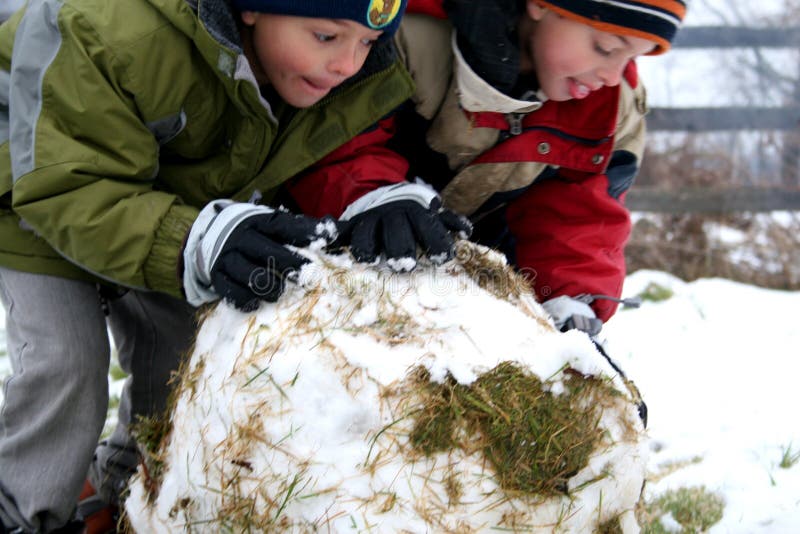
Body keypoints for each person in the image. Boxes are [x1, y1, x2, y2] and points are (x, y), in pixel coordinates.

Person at [0, 0, 411, 531]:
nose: (349, 65)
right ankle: (18, 513)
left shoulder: (300, 69)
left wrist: (376, 197)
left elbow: (336, 150)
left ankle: (121, 497)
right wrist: (191, 238)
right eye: (328, 36)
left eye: (367, 43)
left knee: (182, 355)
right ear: (253, 9)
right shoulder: (122, 34)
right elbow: (67, 181)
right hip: (32, 183)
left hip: (148, 195)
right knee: (68, 360)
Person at [286, 0, 686, 334]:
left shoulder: (612, 108)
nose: (612, 75)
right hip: (339, 241)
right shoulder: (415, 37)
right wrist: (375, 196)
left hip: (476, 277)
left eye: (632, 58)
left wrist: (571, 300)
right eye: (604, 47)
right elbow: (340, 139)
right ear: (541, 5)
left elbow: (581, 219)